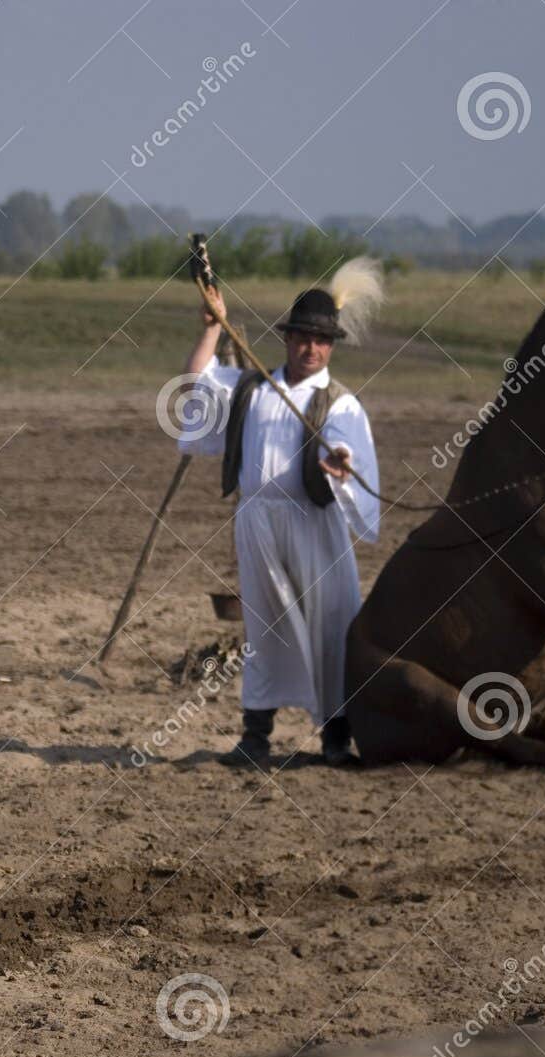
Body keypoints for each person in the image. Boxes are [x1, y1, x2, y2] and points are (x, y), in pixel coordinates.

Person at [176, 260, 384, 769]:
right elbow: (197, 384)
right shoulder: (253, 388)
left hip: (314, 523)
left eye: (321, 341)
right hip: (258, 523)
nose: (311, 348)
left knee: (330, 624)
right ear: (287, 338)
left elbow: (346, 448)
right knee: (263, 627)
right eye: (303, 338)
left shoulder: (340, 402)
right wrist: (211, 330)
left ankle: (336, 738)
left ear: (331, 346)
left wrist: (341, 463)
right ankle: (256, 736)